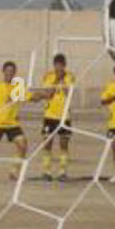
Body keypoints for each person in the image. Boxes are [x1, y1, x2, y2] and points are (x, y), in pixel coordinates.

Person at [34, 53, 74, 182]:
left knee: (63, 144)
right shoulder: (48, 76)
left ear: (64, 65)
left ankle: (63, 171)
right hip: (50, 115)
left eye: (61, 65)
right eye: (57, 65)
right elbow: (47, 94)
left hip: (64, 115)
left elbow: (69, 93)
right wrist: (56, 80)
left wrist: (63, 81)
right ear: (54, 65)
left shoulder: (70, 76)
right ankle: (46, 171)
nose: (59, 68)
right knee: (47, 143)